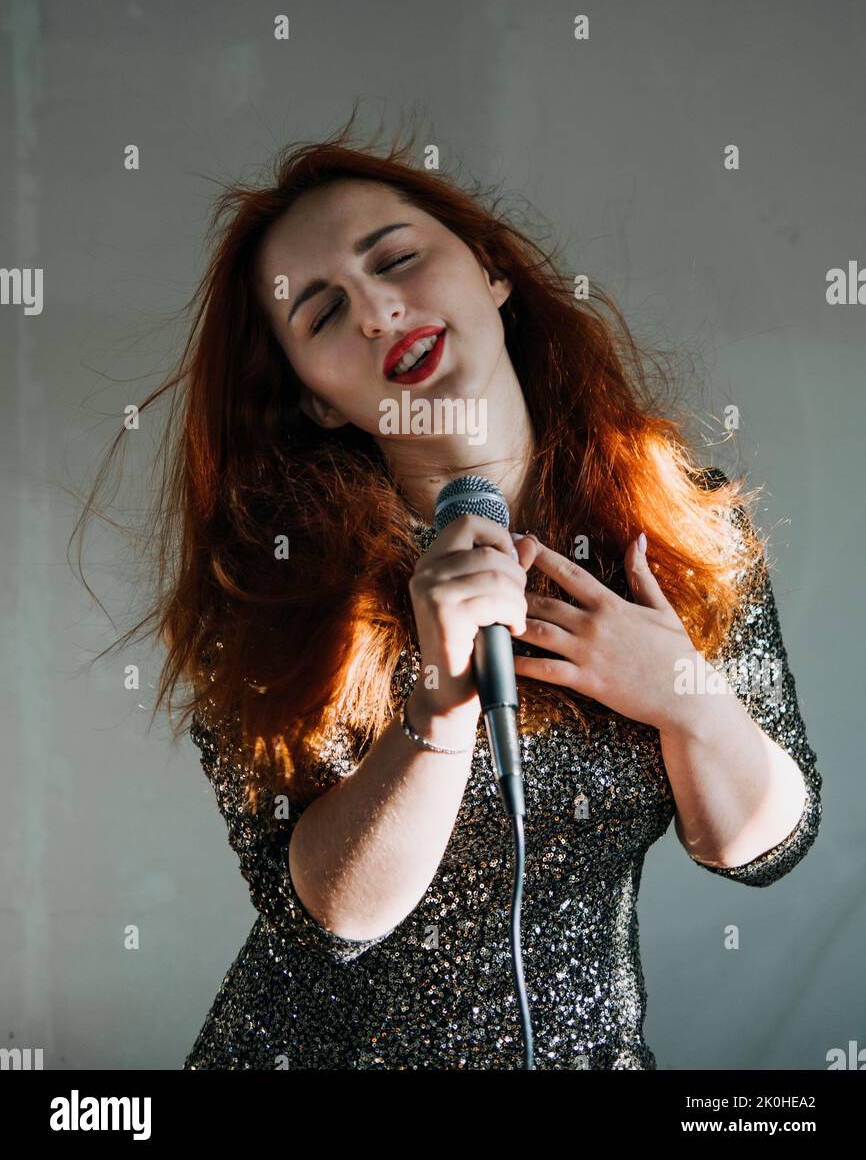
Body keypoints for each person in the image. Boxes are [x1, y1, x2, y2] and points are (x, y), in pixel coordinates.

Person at [72, 111, 822, 1070]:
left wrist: (679, 691)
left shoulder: (679, 523)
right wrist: (440, 700)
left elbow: (760, 847)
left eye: (394, 260)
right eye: (324, 312)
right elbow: (330, 920)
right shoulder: (271, 588)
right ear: (315, 396)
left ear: (491, 269)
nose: (379, 313)